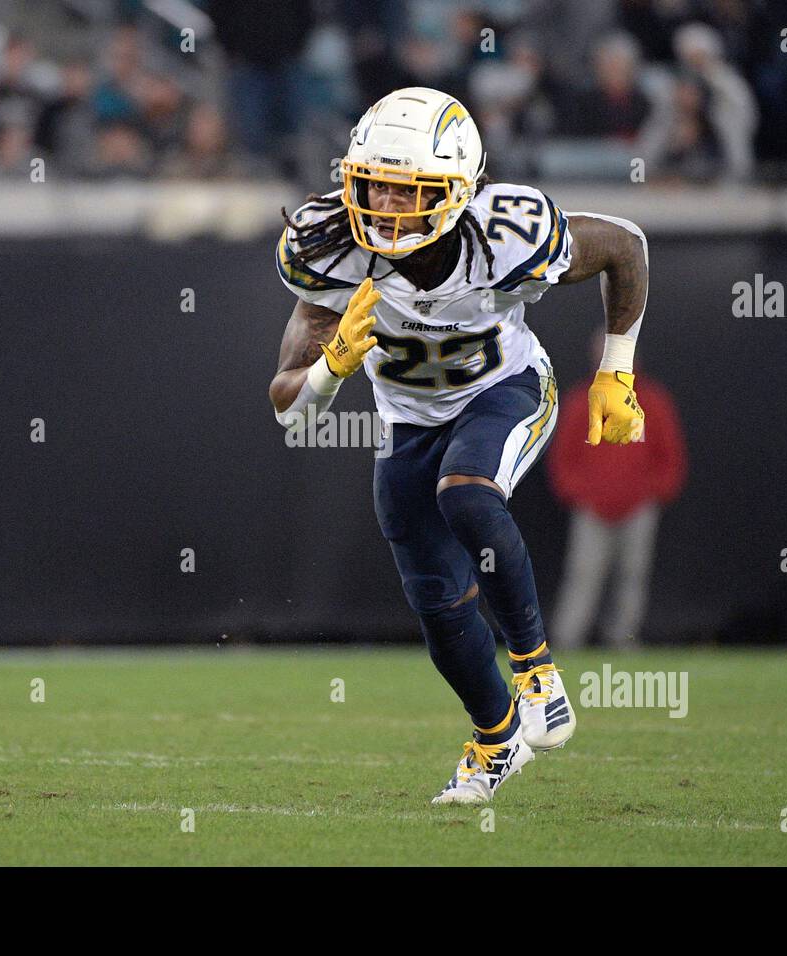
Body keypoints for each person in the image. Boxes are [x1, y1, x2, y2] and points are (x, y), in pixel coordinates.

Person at [269, 88, 649, 804]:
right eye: (372, 184)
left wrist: (616, 370)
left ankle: (537, 671)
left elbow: (625, 244)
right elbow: (289, 406)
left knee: (467, 493)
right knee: (439, 608)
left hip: (503, 393)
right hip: (408, 423)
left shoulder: (502, 234)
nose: (382, 204)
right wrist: (331, 367)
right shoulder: (332, 249)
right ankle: (497, 739)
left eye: (405, 190)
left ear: (453, 191)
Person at [546, 333, 687, 650]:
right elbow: (561, 459)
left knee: (632, 577)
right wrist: (580, 495)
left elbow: (670, 457)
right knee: (583, 575)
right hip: (591, 510)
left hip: (639, 509)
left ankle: (622, 641)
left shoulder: (653, 400)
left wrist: (653, 494)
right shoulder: (582, 400)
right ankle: (567, 642)